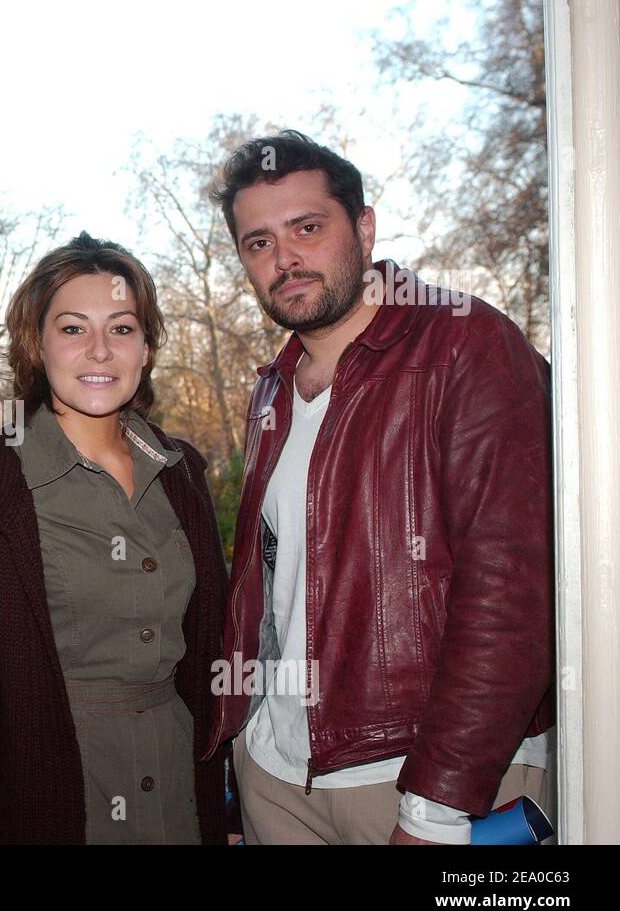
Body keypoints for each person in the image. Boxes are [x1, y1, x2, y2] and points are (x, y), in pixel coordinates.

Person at [205, 130, 554, 845]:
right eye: (258, 242)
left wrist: (435, 806)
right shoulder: (270, 389)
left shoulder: (466, 345)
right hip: (279, 779)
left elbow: (512, 592)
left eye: (307, 227)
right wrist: (241, 757)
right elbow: (274, 591)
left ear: (363, 226)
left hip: (422, 783)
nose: (285, 260)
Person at [0, 232, 231, 844]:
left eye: (122, 329)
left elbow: (206, 659)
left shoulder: (183, 471)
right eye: (72, 329)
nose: (99, 350)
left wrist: (221, 809)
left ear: (146, 348)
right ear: (37, 344)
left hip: (180, 794)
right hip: (53, 796)